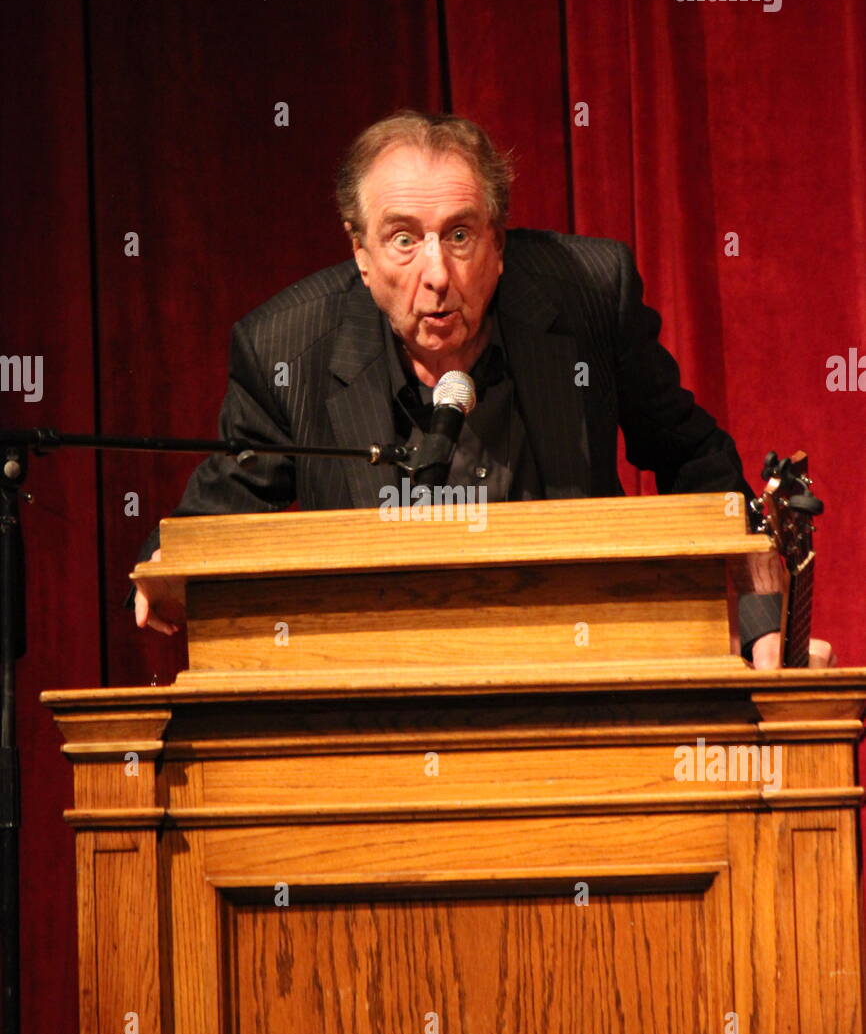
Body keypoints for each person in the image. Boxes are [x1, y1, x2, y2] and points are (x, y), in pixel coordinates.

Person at [134, 110, 833, 669]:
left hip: (579, 661)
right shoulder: (289, 348)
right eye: (403, 240)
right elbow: (213, 523)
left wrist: (762, 626)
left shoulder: (587, 293)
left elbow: (696, 461)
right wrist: (172, 565)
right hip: (373, 685)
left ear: (498, 244)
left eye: (460, 235)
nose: (436, 274)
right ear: (361, 254)